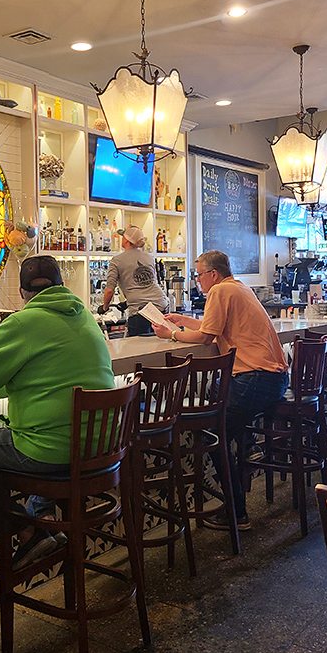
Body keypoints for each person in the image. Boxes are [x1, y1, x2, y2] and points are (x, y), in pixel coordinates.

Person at [0, 254, 115, 568]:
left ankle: (28, 532)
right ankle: (45, 517)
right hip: (101, 447)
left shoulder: (22, 322)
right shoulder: (84, 315)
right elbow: (44, 376)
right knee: (49, 433)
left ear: (22, 292)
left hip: (54, 450)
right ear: (62, 285)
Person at [152, 250, 289, 531]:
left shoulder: (219, 291)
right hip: (273, 380)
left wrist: (172, 334)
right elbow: (212, 328)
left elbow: (205, 338)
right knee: (213, 392)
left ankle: (236, 513)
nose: (197, 280)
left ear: (213, 274)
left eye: (199, 274)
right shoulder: (238, 288)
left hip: (254, 380)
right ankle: (247, 444)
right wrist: (182, 321)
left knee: (216, 437)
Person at [99, 225, 168, 337]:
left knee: (137, 346)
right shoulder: (149, 257)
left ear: (127, 240)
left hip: (140, 311)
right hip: (161, 305)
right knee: (158, 344)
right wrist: (126, 303)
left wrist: (104, 307)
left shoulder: (116, 261)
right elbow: (149, 284)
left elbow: (110, 290)